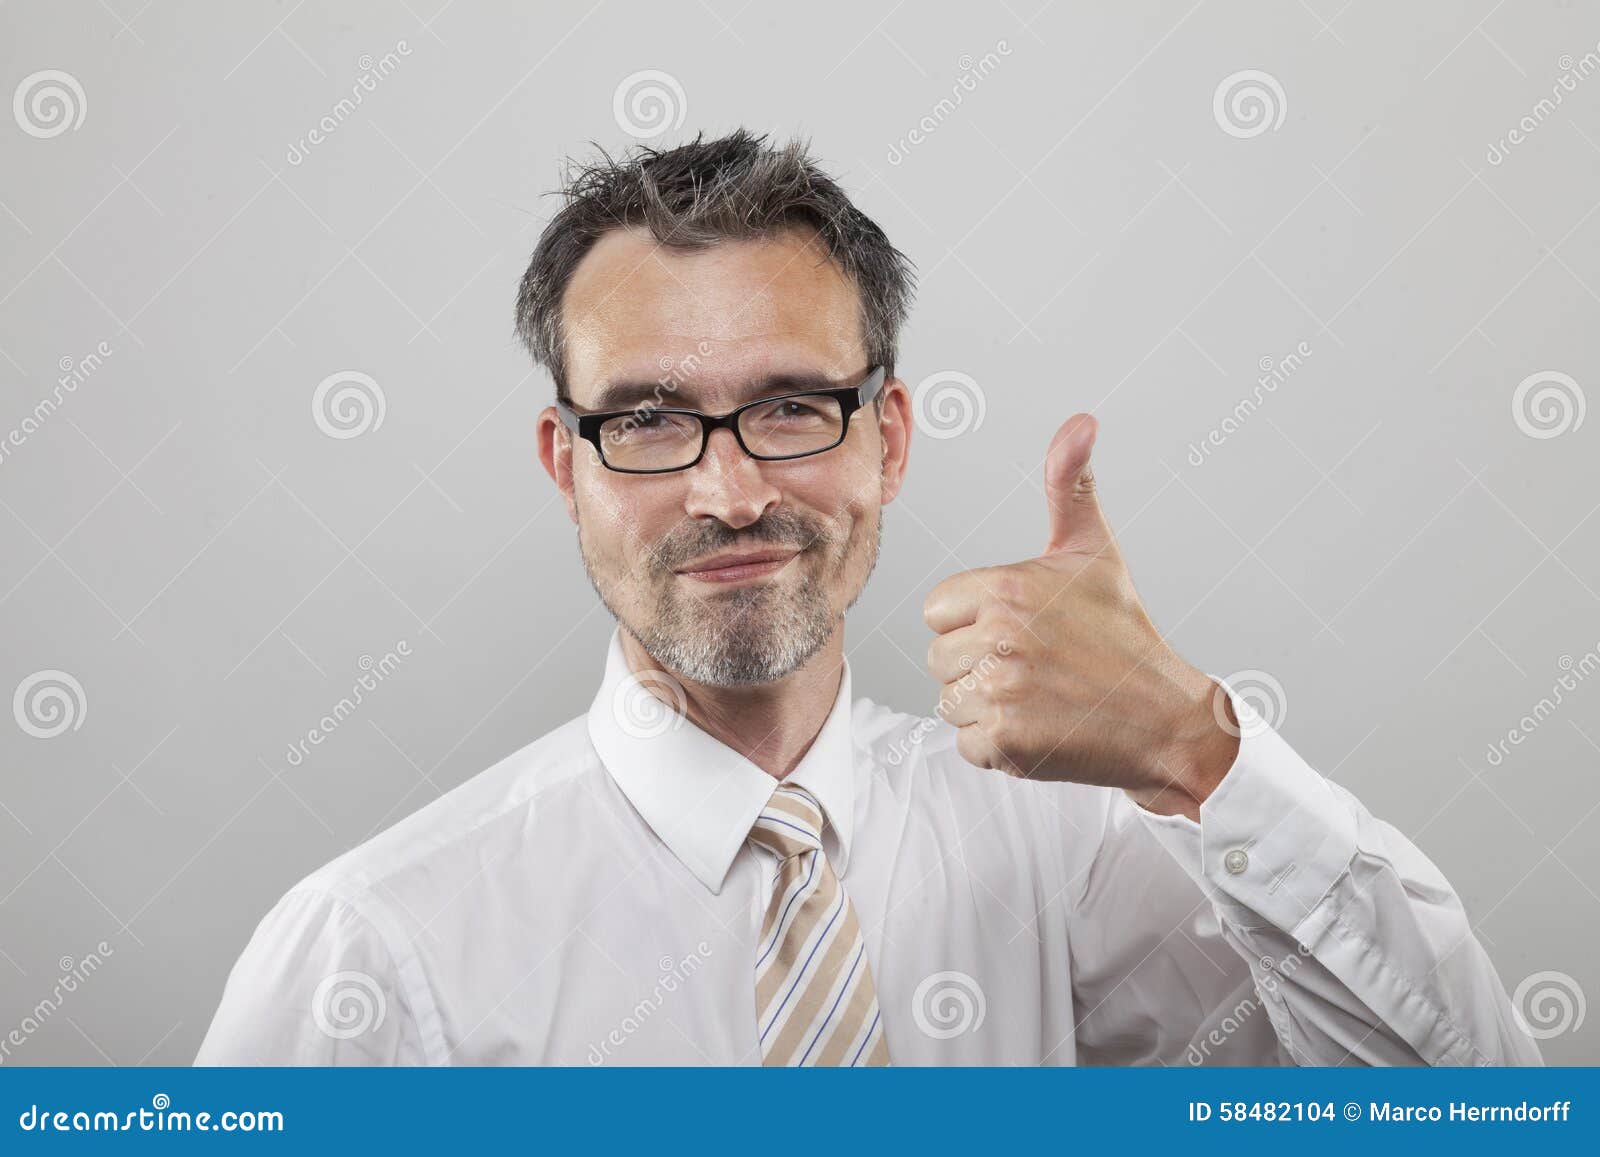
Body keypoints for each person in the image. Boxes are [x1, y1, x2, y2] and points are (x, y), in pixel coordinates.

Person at [195, 129, 1540, 1066]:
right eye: (651, 421)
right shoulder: (375, 943)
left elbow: (1473, 1097)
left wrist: (1201, 746)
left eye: (790, 407)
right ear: (568, 464)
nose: (726, 494)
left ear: (889, 436)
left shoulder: (1062, 858)